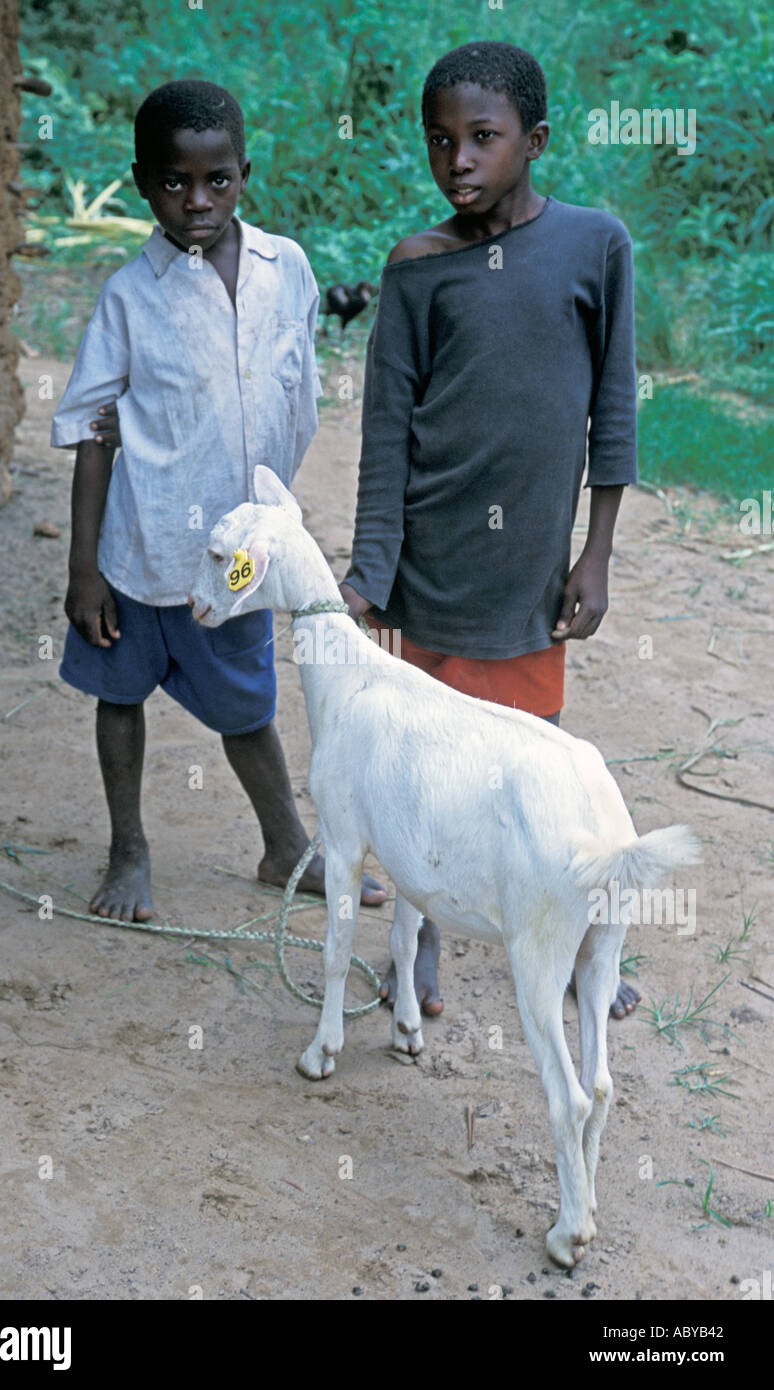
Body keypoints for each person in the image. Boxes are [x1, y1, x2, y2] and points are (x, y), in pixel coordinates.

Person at [339, 41, 640, 1019]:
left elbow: (610, 410)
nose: (456, 160)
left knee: (533, 775)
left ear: (534, 141)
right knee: (422, 785)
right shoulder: (417, 267)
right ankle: (412, 950)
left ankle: (577, 949)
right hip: (429, 575)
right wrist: (367, 573)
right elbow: (385, 431)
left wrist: (593, 553)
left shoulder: (594, 246)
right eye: (438, 141)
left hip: (525, 584)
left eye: (480, 138)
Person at [51, 79, 385, 923]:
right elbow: (94, 432)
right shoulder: (130, 297)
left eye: (217, 181)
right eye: (173, 183)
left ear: (245, 172)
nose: (196, 201)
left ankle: (285, 846)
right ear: (141, 181)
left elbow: (295, 396)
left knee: (248, 707)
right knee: (118, 697)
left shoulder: (289, 271)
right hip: (137, 550)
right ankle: (129, 847)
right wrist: (84, 570)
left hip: (237, 556)